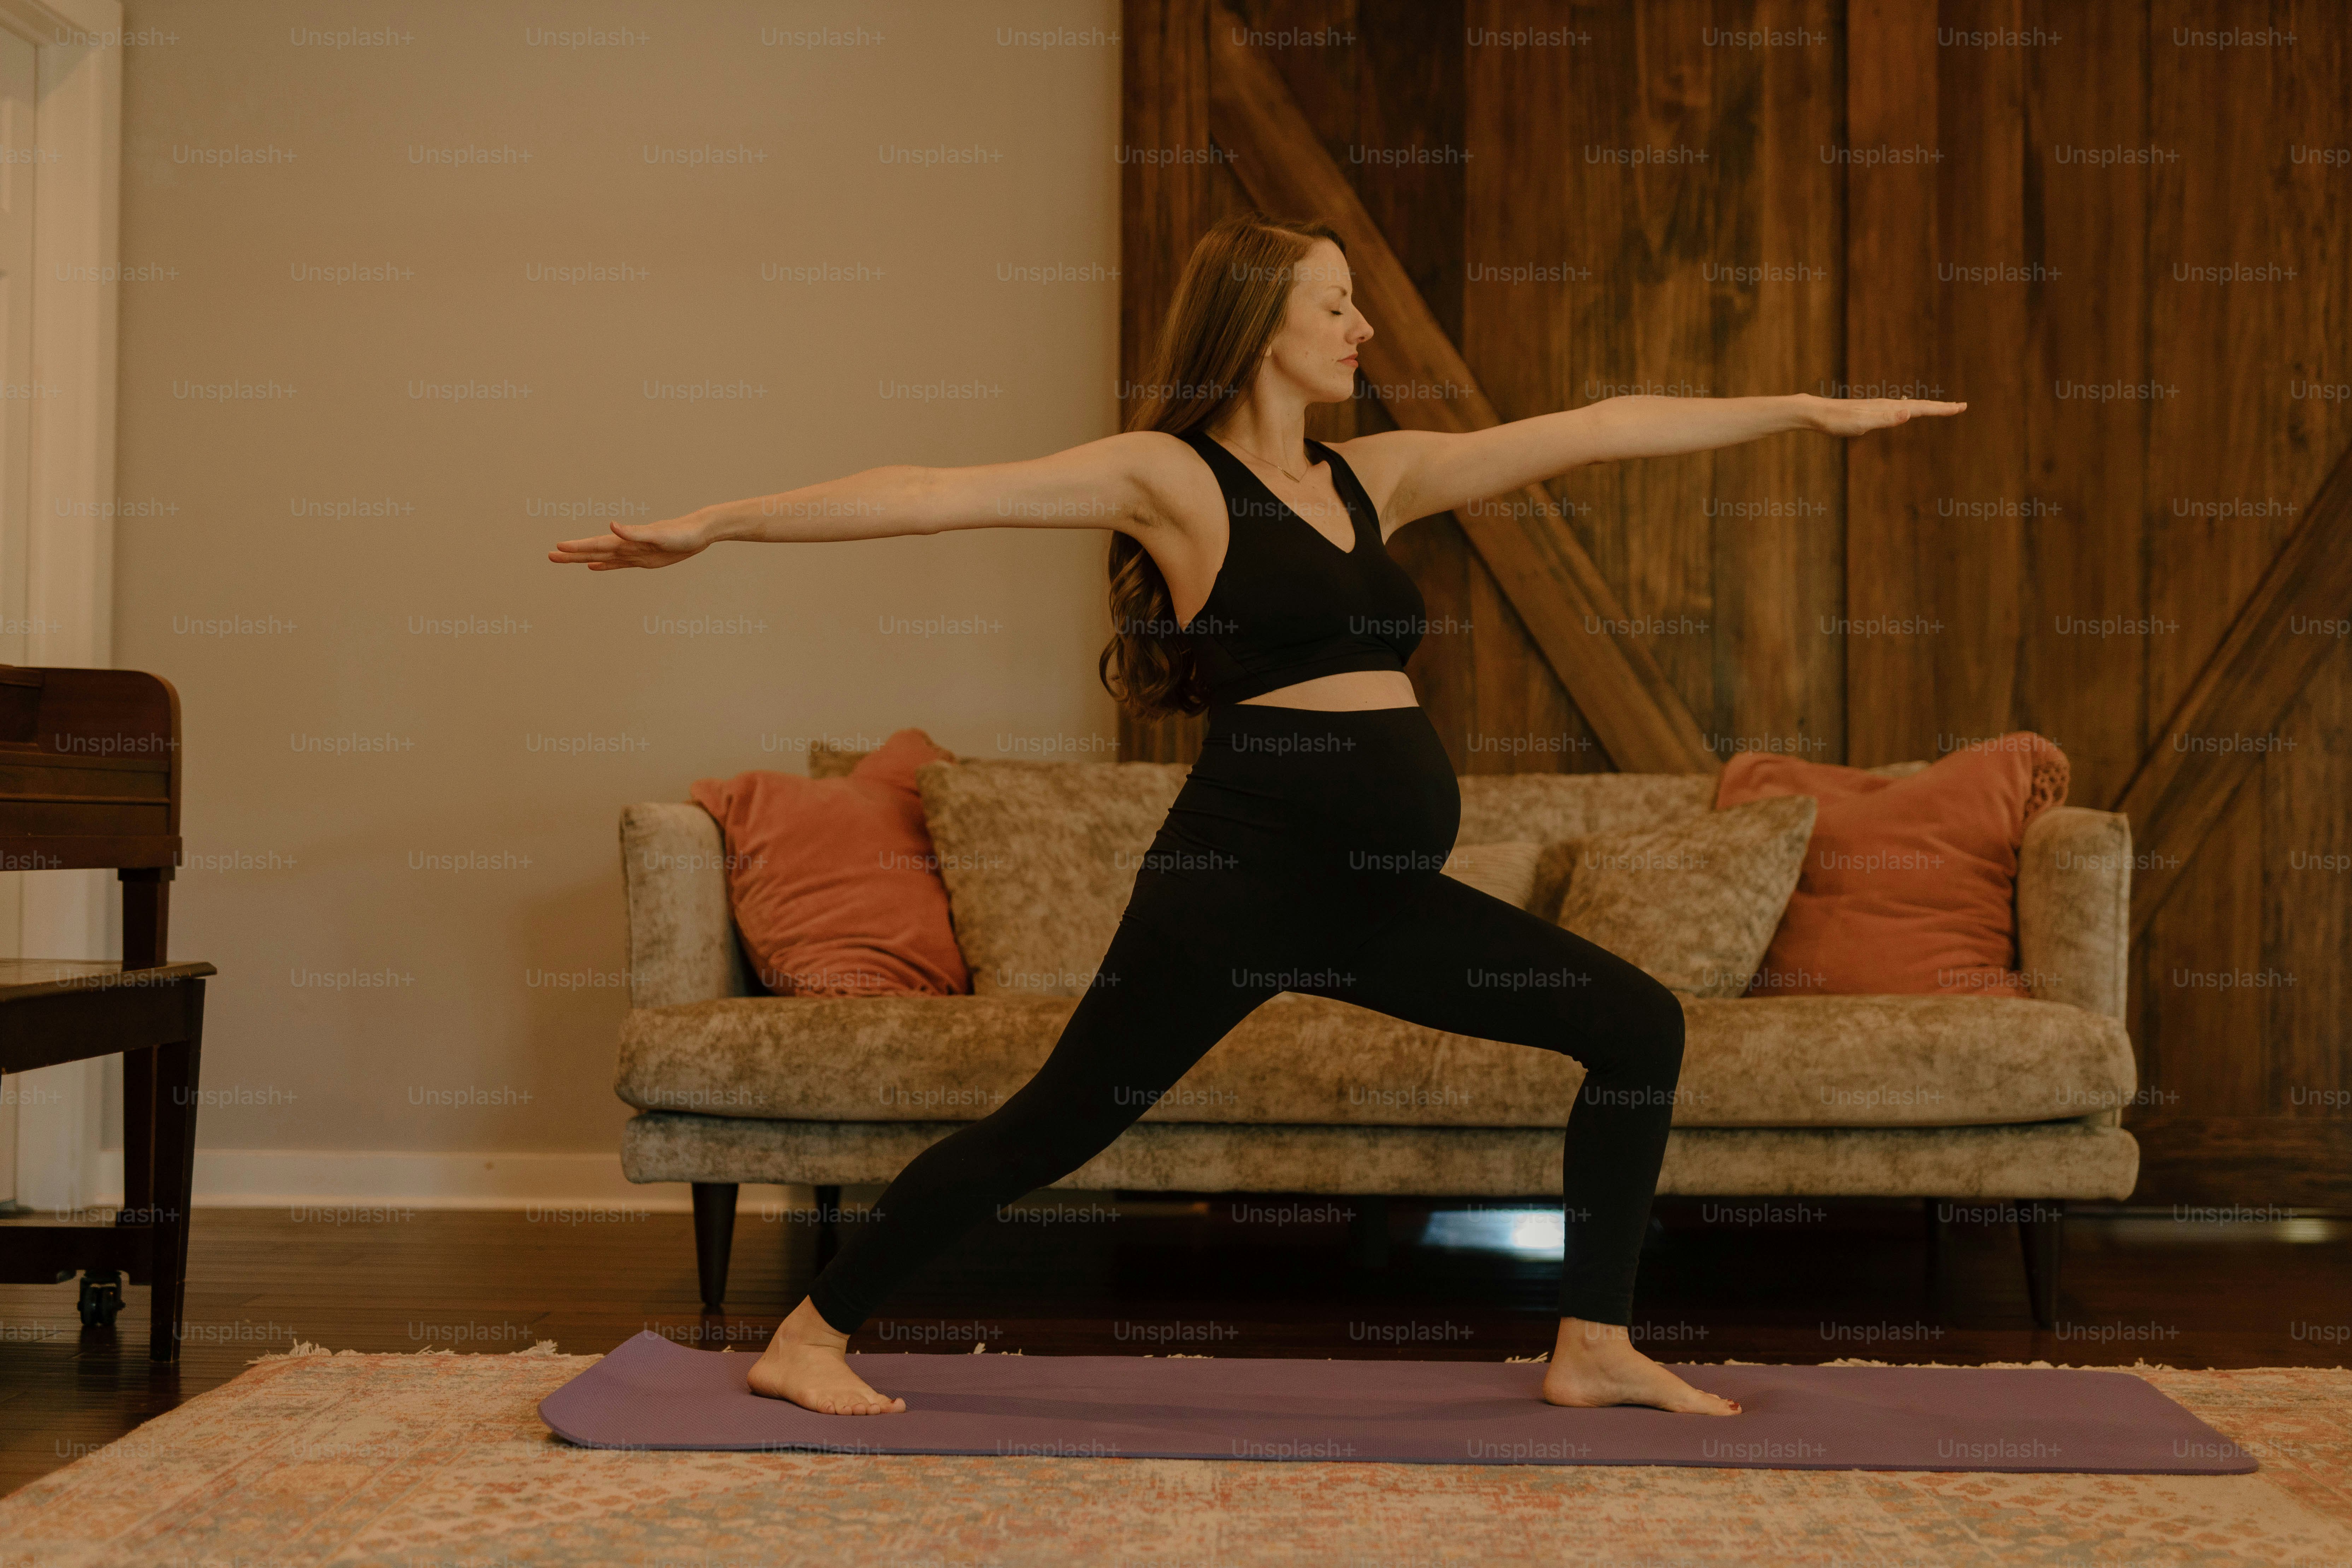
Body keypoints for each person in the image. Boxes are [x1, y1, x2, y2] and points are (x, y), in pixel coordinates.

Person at [551, 211, 1963, 1418]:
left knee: (1633, 1024)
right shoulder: (1174, 481)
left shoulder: (1376, 478)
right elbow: (930, 493)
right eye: (1334, 304)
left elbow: (1594, 432)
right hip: (1242, 879)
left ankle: (1592, 1342)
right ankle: (810, 1338)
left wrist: (1807, 412)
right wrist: (717, 521)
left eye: (1355, 305)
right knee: (1062, 1121)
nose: (1360, 328)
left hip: (1376, 897)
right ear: (1258, 324)